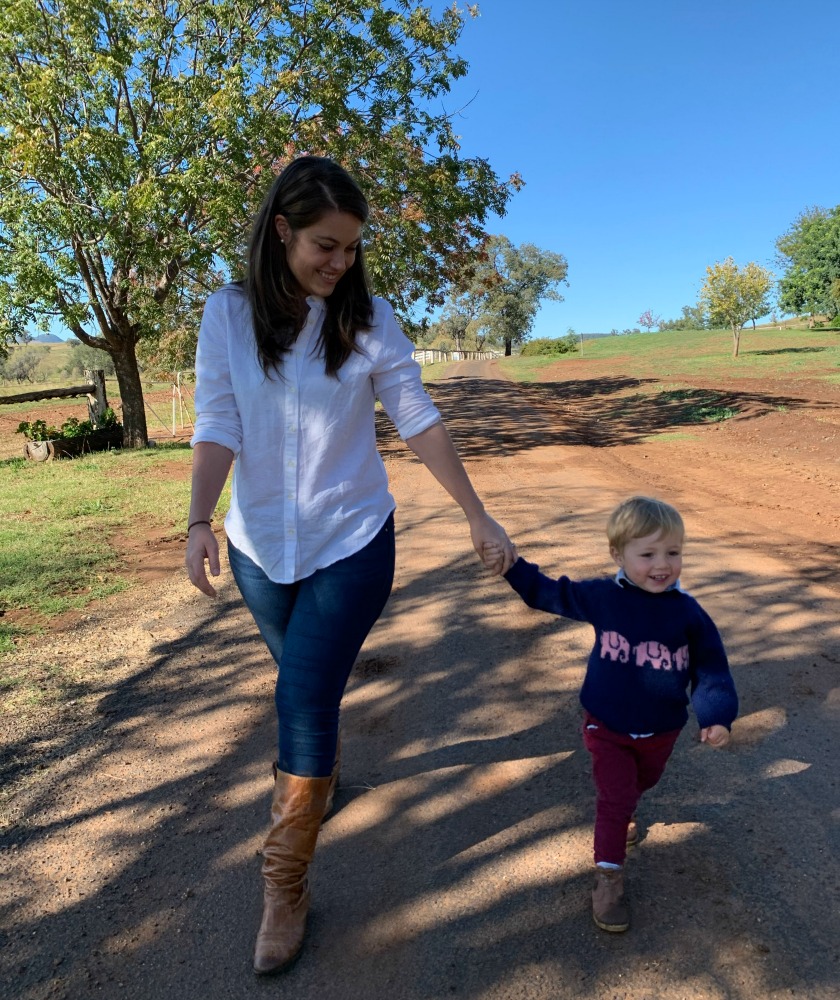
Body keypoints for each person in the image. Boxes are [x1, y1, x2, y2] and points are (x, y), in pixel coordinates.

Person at [184, 155, 515, 976]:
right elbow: (216, 421)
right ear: (283, 230)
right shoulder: (227, 314)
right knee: (312, 690)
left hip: (352, 541)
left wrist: (475, 511)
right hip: (262, 551)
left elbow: (415, 413)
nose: (340, 263)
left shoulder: (367, 317)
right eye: (326, 246)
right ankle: (321, 776)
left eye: (352, 249)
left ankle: (283, 888)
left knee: (298, 695)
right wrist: (198, 520)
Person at [483, 495, 737, 933]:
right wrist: (512, 566)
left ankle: (626, 811)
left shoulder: (688, 614)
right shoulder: (604, 597)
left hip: (661, 729)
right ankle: (608, 878)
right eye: (648, 554)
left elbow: (711, 669)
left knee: (643, 782)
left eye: (673, 553)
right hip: (606, 723)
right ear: (618, 555)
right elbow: (550, 593)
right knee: (615, 798)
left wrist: (716, 716)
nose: (662, 565)